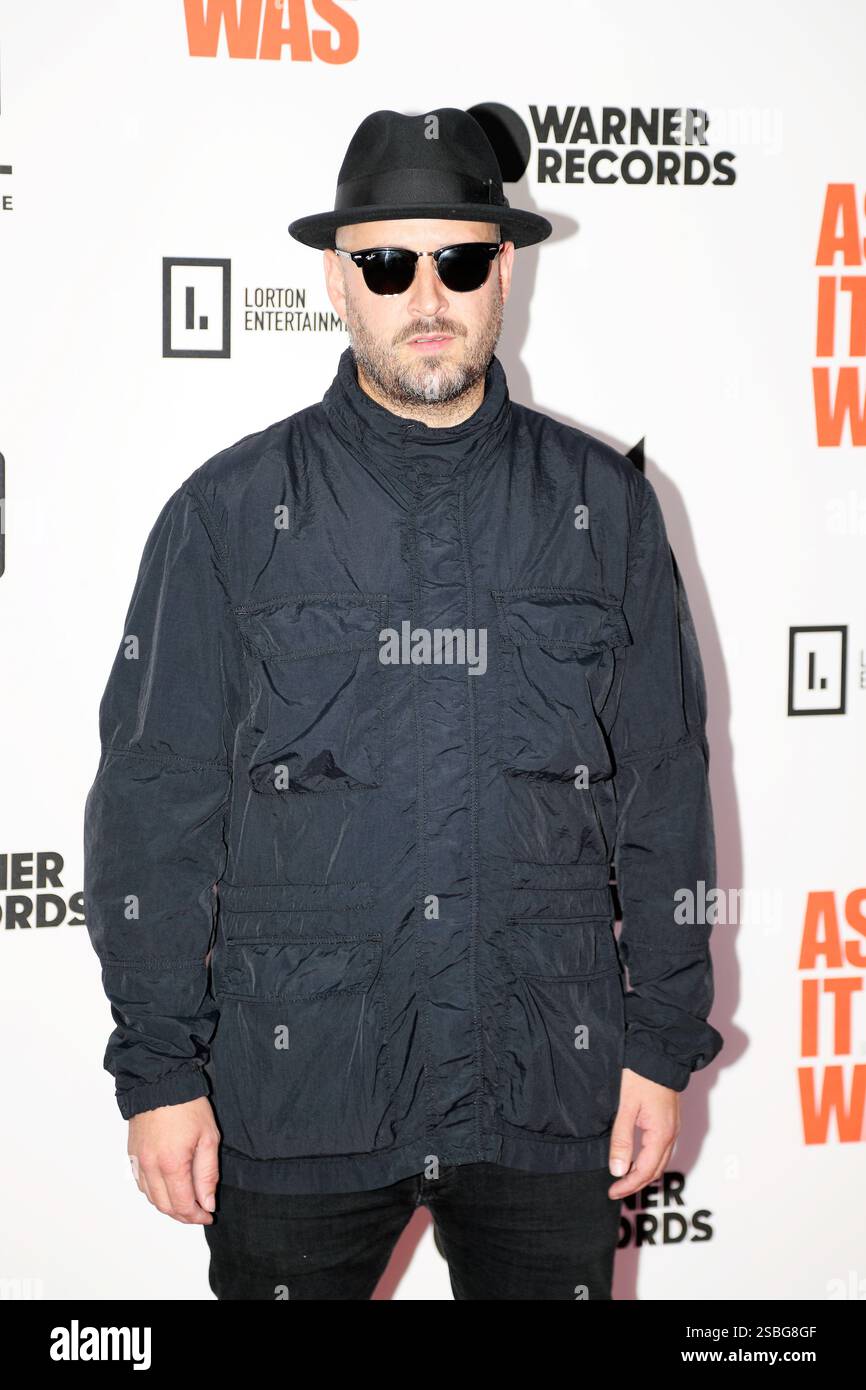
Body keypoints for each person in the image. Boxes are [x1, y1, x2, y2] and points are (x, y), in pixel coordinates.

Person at [83, 106, 724, 1301]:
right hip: (302, 1091)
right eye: (386, 261)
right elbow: (153, 802)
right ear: (337, 281)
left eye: (459, 259)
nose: (424, 293)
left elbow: (663, 783)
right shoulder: (230, 513)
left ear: (503, 273)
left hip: (546, 1082)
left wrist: (656, 1044)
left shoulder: (602, 507)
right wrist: (161, 1068)